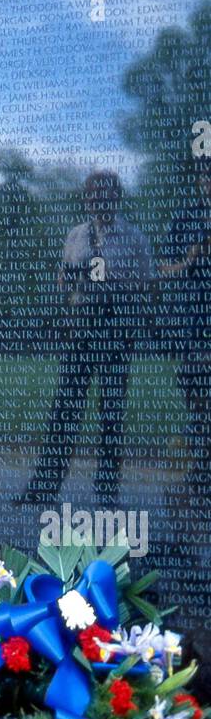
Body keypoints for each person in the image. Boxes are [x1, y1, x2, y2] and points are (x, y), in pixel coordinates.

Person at [17, 171, 152, 507]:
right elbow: (63, 279)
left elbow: (146, 285)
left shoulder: (134, 237)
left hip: (116, 328)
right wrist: (71, 292)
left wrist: (118, 300)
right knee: (65, 406)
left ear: (117, 198)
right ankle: (45, 485)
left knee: (111, 410)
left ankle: (106, 490)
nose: (99, 200)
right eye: (94, 194)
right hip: (81, 327)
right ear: (87, 199)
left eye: (106, 194)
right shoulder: (76, 234)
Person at [160, 156, 211, 499]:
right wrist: (190, 260)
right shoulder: (187, 217)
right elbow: (164, 267)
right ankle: (201, 467)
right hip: (197, 321)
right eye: (206, 177)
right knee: (195, 388)